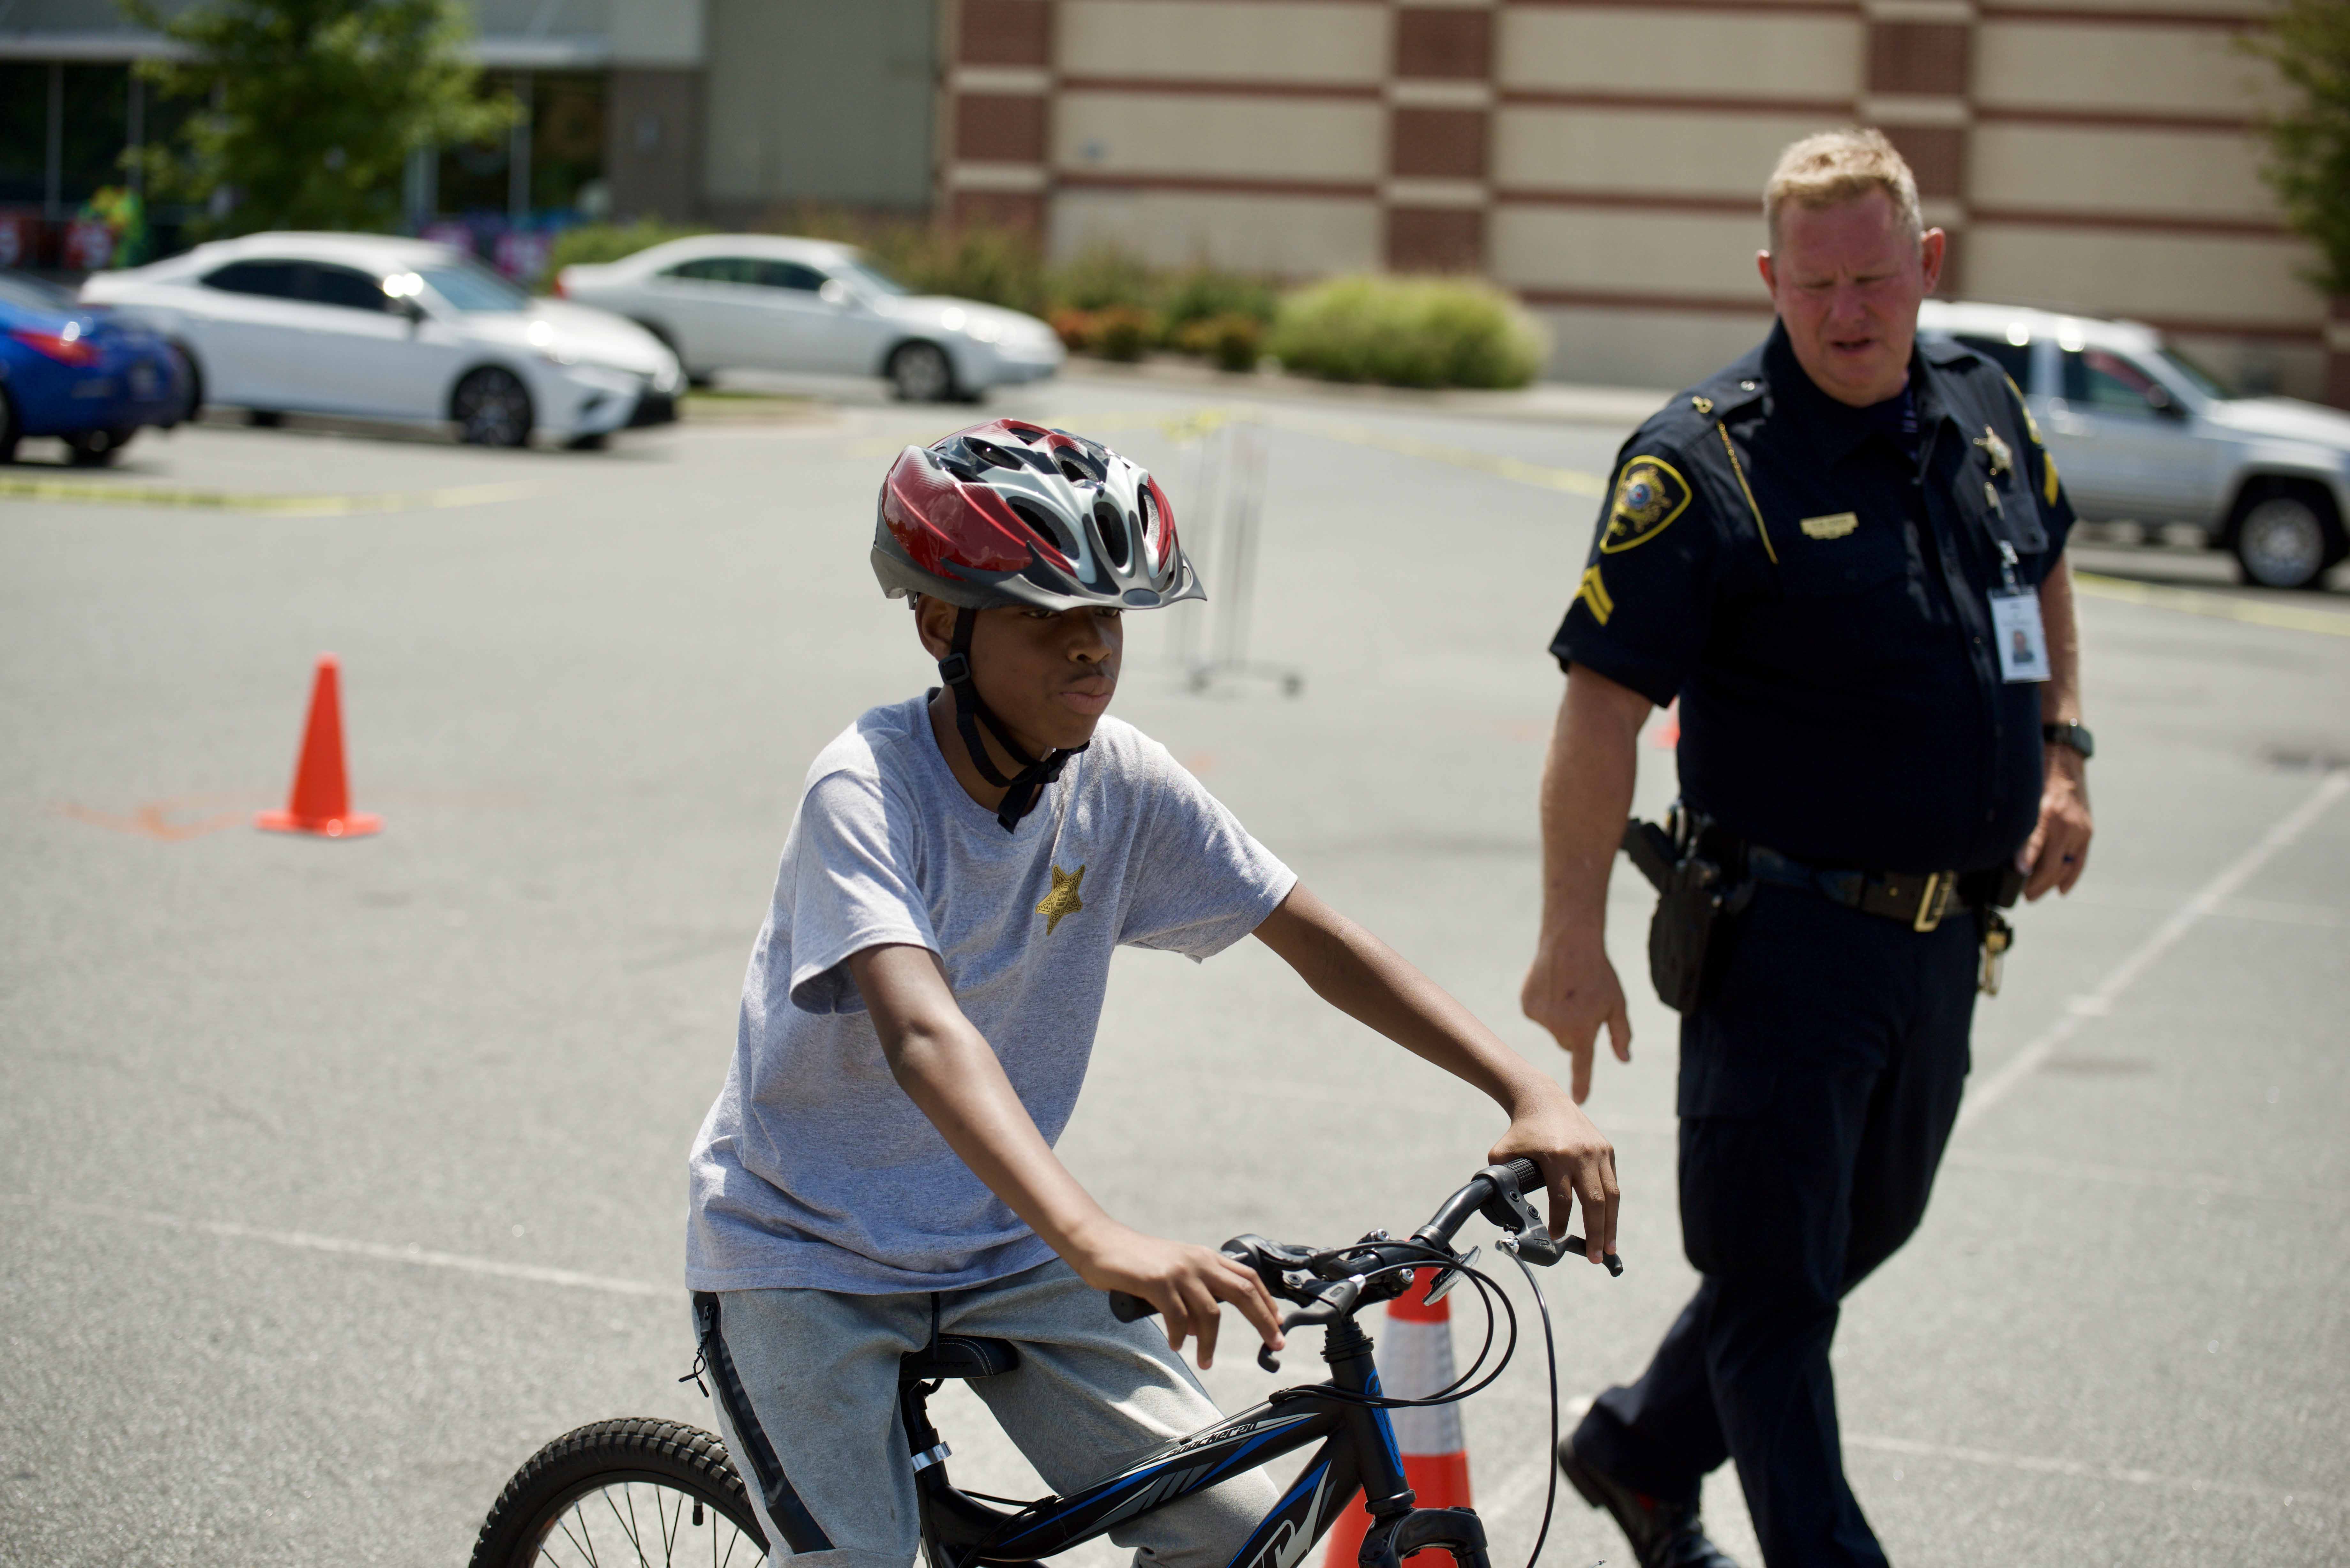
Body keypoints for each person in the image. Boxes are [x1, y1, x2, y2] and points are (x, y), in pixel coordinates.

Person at [687, 418, 1621, 1566]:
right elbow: (925, 1034)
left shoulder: (1120, 781)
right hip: (804, 1252)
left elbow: (1317, 939)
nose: (1090, 648)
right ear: (940, 623)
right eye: (1043, 616)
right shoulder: (867, 790)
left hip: (998, 1249)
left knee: (1241, 1538)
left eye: (1107, 616)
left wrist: (1525, 1087)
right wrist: (1094, 1236)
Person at [1520, 129, 2094, 1568]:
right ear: (1772, 279)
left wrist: (2065, 755)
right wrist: (1569, 940)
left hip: (1944, 939)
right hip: (1779, 943)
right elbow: (1598, 717)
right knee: (1776, 1297)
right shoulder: (1701, 463)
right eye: (1816, 284)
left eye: (1875, 279)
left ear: (1929, 268)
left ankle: (1639, 1447)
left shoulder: (1980, 407)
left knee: (1856, 1234)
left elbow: (2045, 567)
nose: (1848, 313)